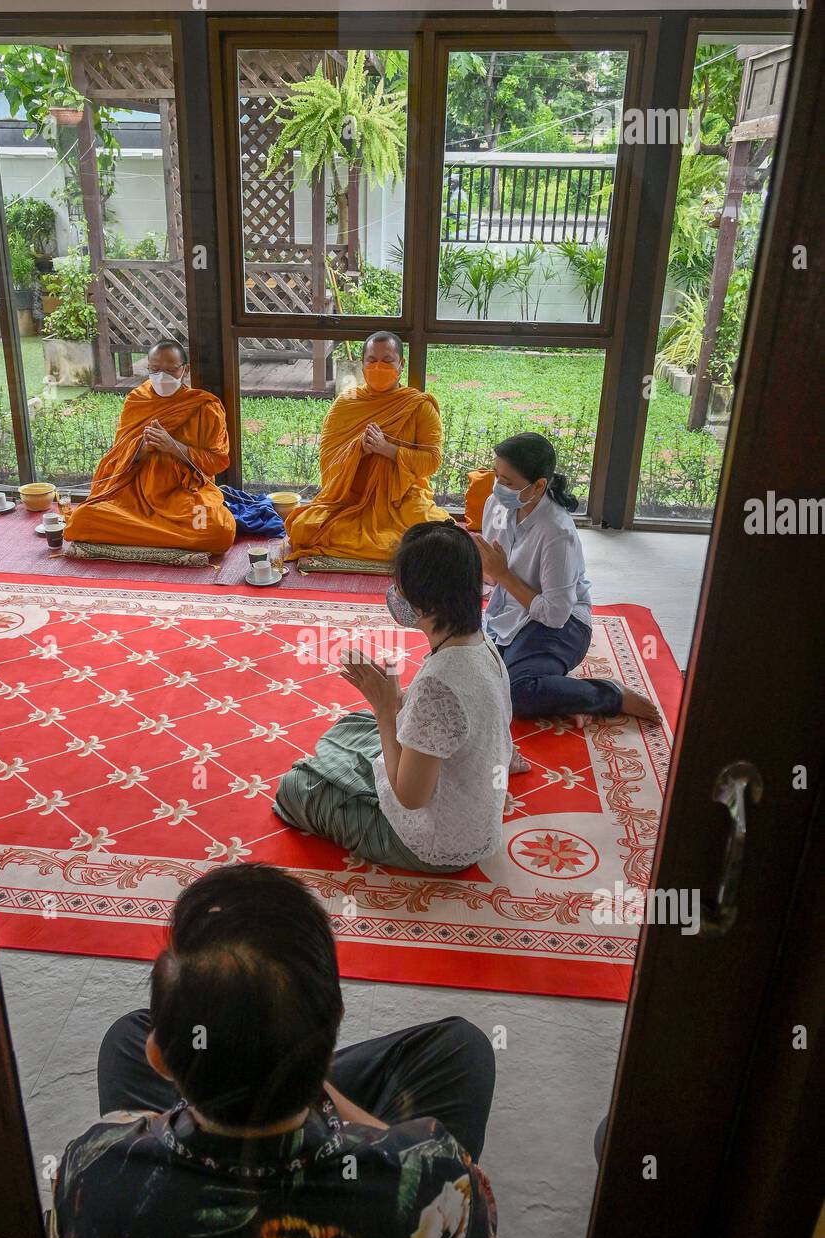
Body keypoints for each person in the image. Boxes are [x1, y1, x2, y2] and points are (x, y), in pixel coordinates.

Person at [49, 864, 497, 1238]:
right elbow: (439, 1189)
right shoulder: (443, 1185)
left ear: (160, 1058)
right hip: (320, 1118)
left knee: (126, 1032)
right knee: (463, 1049)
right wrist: (306, 1075)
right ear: (336, 1019)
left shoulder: (89, 1168)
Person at [275, 522, 514, 872]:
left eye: (400, 589)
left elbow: (410, 797)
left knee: (295, 788)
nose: (395, 596)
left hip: (437, 844)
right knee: (354, 725)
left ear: (425, 602)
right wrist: (396, 703)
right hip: (475, 815)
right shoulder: (483, 644)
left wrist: (386, 709)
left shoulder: (440, 683)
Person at [472, 433, 660, 725]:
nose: (498, 487)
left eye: (507, 482)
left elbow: (555, 614)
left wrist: (502, 574)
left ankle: (610, 695)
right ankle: (561, 696)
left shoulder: (556, 532)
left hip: (563, 625)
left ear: (538, 486)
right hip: (512, 613)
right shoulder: (496, 506)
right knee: (473, 672)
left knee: (518, 691)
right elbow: (492, 577)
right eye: (497, 476)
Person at [285, 331, 450, 564]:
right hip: (352, 498)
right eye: (372, 361)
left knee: (438, 533)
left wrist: (387, 449)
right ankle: (404, 551)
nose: (378, 367)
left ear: (401, 364)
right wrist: (358, 449)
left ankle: (404, 546)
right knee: (303, 528)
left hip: (401, 498)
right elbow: (328, 465)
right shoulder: (346, 404)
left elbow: (432, 461)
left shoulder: (419, 406)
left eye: (387, 361)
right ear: (362, 365)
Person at [63, 339, 235, 553]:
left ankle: (141, 534)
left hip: (182, 496)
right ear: (148, 369)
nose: (162, 376)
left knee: (217, 530)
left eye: (171, 370)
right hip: (133, 494)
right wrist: (141, 448)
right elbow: (116, 457)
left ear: (185, 369)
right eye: (155, 369)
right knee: (83, 519)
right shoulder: (137, 400)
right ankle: (168, 536)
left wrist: (175, 447)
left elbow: (217, 462)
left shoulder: (205, 406)